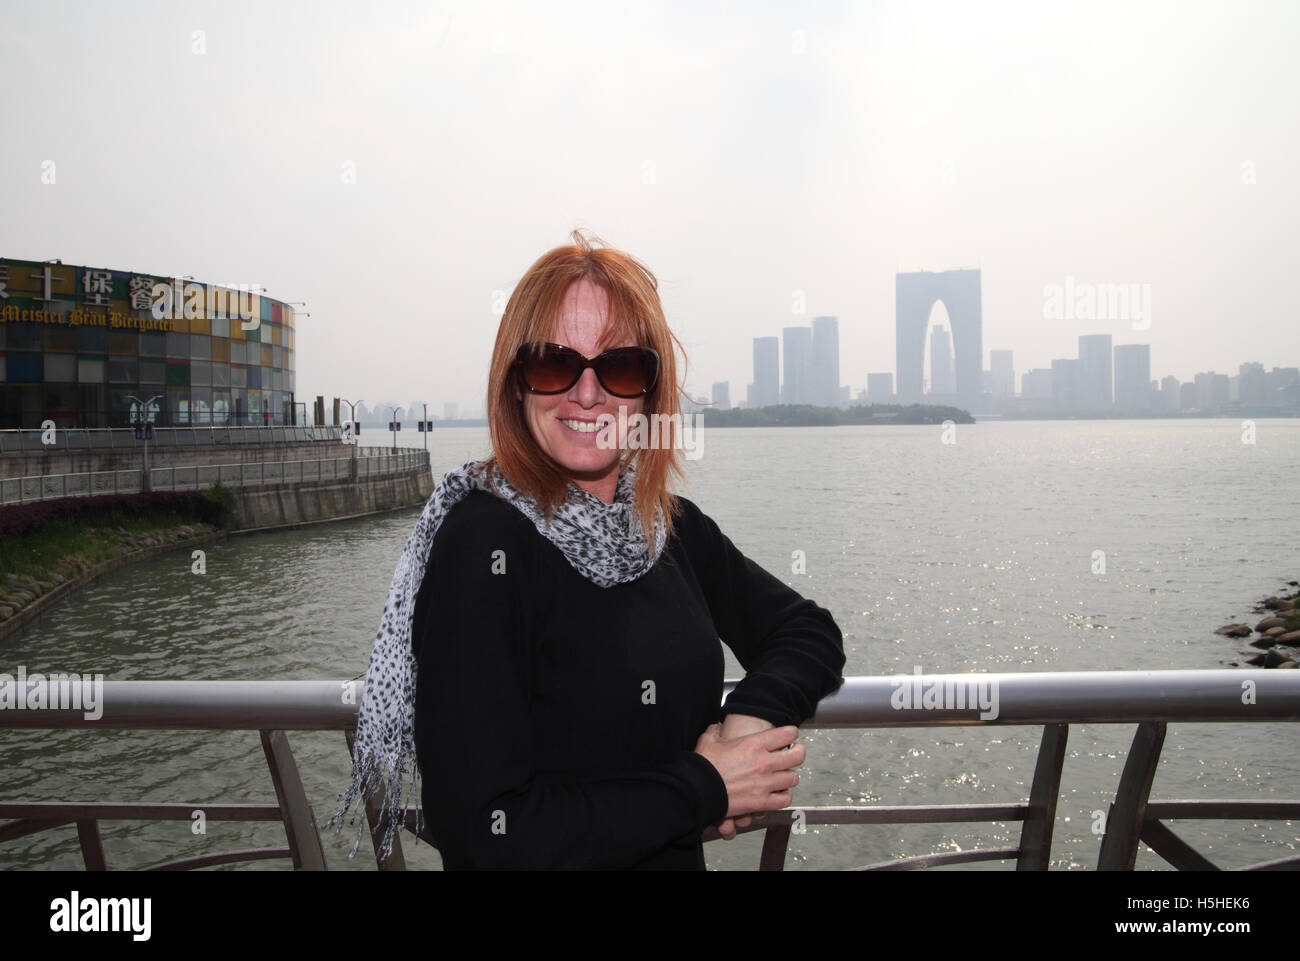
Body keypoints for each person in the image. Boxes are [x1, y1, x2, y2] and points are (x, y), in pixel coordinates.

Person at [330, 230, 844, 869]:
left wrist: (748, 720)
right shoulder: (481, 544)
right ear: (518, 385)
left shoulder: (664, 527)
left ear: (650, 393)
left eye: (621, 365)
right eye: (555, 362)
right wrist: (708, 787)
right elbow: (484, 831)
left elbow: (807, 630)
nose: (588, 392)